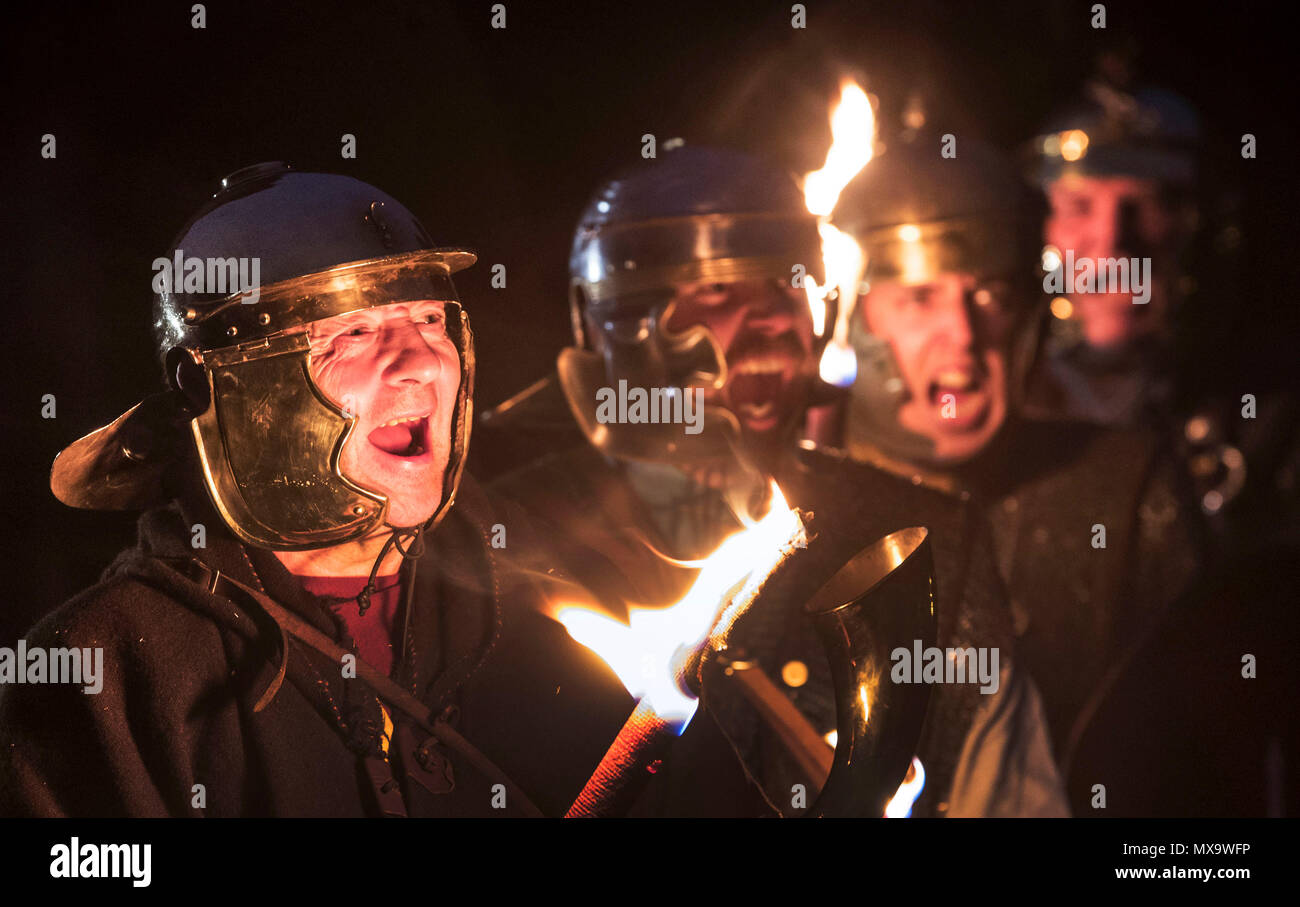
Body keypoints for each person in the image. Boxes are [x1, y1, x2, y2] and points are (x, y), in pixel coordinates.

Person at [0, 162, 699, 818]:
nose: (422, 363)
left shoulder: (540, 592)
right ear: (219, 387)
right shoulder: (105, 673)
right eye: (354, 332)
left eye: (430, 320)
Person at [481, 144, 1068, 817]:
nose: (769, 322)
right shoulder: (506, 538)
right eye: (719, 292)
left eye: (787, 288)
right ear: (619, 321)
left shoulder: (922, 537)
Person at [830, 130, 1203, 812]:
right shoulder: (782, 520)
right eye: (918, 298)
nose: (964, 333)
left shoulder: (1123, 494)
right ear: (853, 315)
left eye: (992, 296)